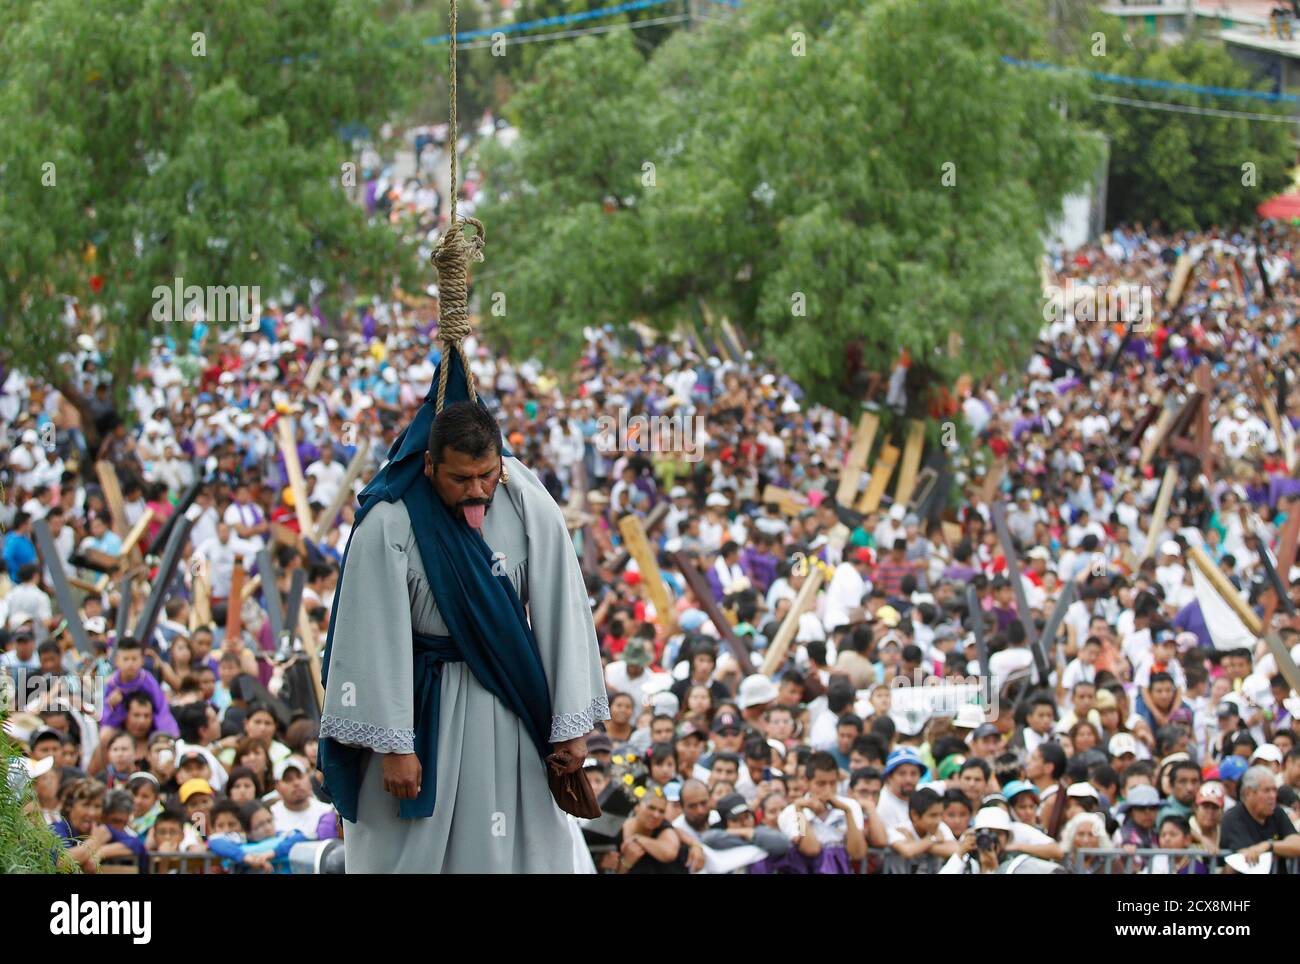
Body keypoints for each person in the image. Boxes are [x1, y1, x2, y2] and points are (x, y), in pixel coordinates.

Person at [319, 395, 608, 872]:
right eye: (460, 479)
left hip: (509, 702)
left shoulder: (529, 507)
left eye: (487, 475)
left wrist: (572, 726)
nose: (477, 490)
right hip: (419, 713)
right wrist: (395, 745)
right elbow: (369, 636)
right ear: (430, 466)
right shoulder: (389, 521)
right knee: (410, 852)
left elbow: (564, 613)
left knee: (509, 849)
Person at [777, 751, 867, 873]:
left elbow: (857, 853)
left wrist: (847, 812)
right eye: (821, 784)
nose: (828, 790)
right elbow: (811, 849)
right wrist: (800, 810)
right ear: (807, 782)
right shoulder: (791, 812)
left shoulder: (850, 806)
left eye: (833, 783)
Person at [1219, 765, 1300, 873]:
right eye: (1266, 791)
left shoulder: (1277, 812)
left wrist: (1268, 845)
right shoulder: (1233, 817)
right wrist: (1278, 848)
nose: (1272, 796)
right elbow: (1248, 853)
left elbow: (1297, 843)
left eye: (1274, 790)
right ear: (1248, 793)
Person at [617, 785, 687, 874]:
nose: (656, 815)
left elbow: (669, 853)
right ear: (637, 806)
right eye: (651, 808)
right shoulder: (618, 830)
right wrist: (626, 863)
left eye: (661, 811)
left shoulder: (663, 827)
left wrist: (638, 838)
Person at [940, 804, 1014, 874]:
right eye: (987, 833)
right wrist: (960, 853)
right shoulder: (968, 862)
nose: (992, 839)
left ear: (1007, 837)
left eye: (998, 833)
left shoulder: (1014, 863)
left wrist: (994, 869)